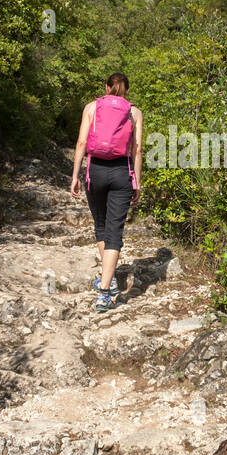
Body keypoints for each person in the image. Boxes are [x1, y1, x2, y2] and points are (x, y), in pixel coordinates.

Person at [70, 72, 142, 312]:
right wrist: (137, 183)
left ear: (106, 87)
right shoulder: (134, 112)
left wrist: (75, 176)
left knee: (101, 225)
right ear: (127, 91)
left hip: (96, 171)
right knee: (115, 230)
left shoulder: (91, 107)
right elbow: (137, 151)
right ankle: (104, 292)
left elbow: (81, 143)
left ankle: (107, 282)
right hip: (122, 172)